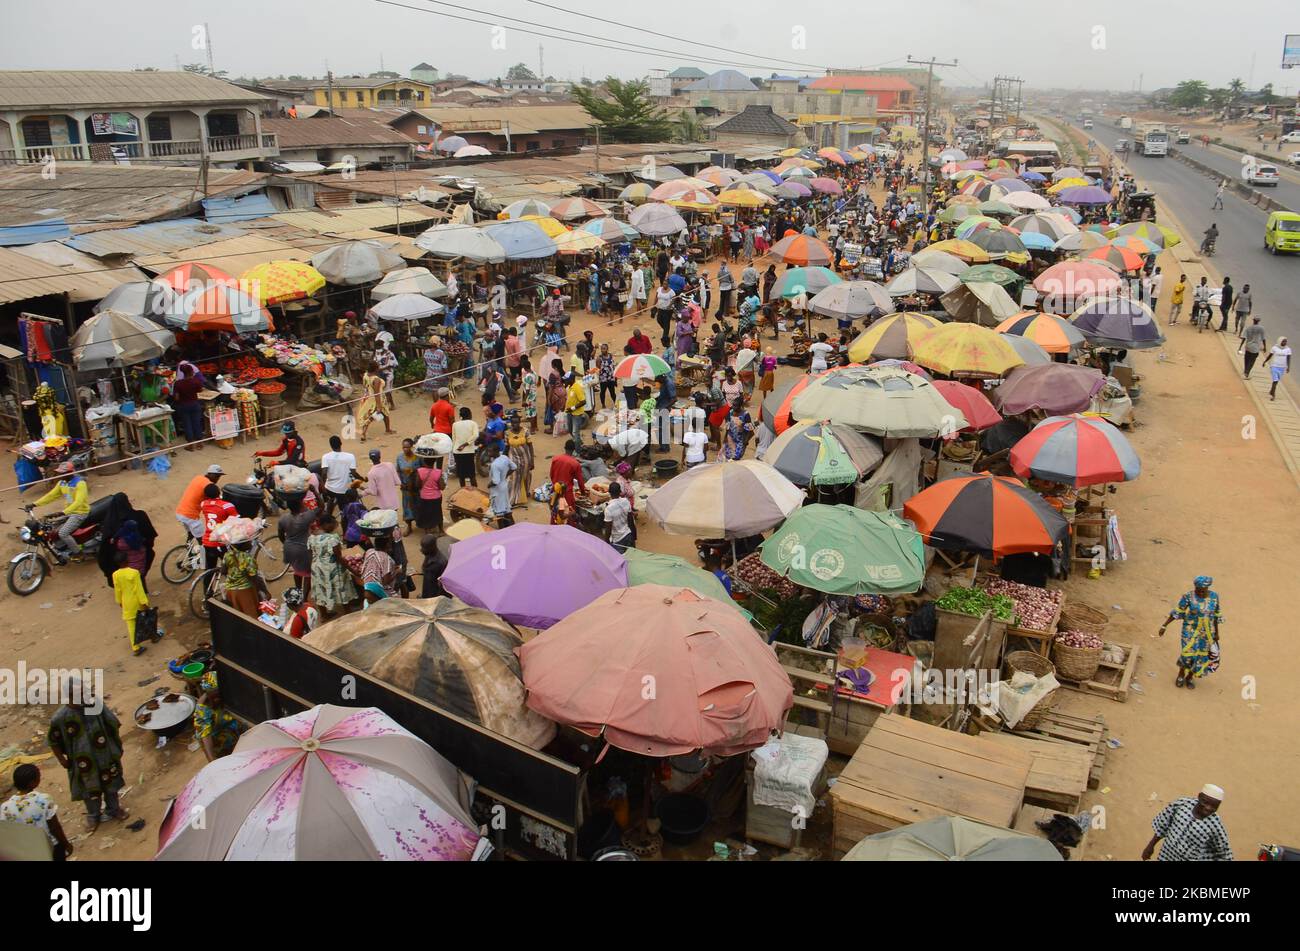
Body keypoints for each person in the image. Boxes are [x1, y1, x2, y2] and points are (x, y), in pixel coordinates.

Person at [47, 692, 129, 833]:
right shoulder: (60, 717)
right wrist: (62, 759)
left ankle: (114, 809)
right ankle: (93, 816)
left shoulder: (94, 704)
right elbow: (53, 741)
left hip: (104, 754)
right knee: (89, 789)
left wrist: (116, 746)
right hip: (82, 762)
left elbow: (112, 723)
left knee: (110, 782)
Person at [1158, 575, 1222, 690]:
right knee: (1187, 653)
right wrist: (1164, 625)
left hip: (1207, 632)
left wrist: (1216, 633)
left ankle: (1190, 677)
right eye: (1198, 589)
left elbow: (1216, 615)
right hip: (1190, 630)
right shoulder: (1188, 596)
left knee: (1200, 655)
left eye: (1202, 590)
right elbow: (1178, 611)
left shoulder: (1214, 597)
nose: (1200, 592)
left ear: (1207, 588)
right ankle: (1181, 674)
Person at [1142, 785, 1232, 861]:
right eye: (1206, 802)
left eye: (1214, 806)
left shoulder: (1215, 825)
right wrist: (1151, 845)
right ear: (1199, 796)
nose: (1208, 808)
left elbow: (1224, 853)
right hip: (1166, 856)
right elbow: (1163, 825)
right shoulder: (1181, 804)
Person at [3, 764, 73, 860]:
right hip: (50, 847)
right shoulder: (43, 799)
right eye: (38, 776)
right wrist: (66, 844)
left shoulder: (5, 807)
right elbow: (54, 827)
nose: (40, 777)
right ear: (32, 783)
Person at [33, 466, 90, 559]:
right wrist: (34, 504)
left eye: (62, 473)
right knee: (49, 527)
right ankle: (61, 547)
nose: (59, 475)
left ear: (71, 473)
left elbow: (78, 502)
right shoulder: (62, 483)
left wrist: (63, 512)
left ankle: (78, 552)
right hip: (68, 512)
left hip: (80, 513)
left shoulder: (80, 483)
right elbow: (51, 495)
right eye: (59, 473)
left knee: (63, 533)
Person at [308, 514, 356, 615]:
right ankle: (348, 611)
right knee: (340, 587)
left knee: (320, 588)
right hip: (332, 568)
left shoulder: (311, 536)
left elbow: (310, 554)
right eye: (333, 524)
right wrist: (352, 570)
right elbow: (338, 557)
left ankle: (324, 615)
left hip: (317, 567)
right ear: (325, 524)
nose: (335, 527)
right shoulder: (332, 538)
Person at [192, 671, 243, 760]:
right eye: (213, 694)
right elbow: (205, 736)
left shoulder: (228, 695)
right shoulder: (203, 707)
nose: (216, 697)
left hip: (231, 729)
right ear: (207, 693)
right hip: (215, 737)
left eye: (218, 693)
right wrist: (212, 760)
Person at [112, 550, 151, 656]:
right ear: (128, 560)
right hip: (137, 602)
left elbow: (118, 589)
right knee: (146, 619)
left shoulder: (115, 575)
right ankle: (153, 635)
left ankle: (136, 647)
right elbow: (139, 589)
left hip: (126, 602)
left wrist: (119, 601)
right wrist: (144, 602)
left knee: (131, 625)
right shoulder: (134, 572)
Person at [278, 496, 318, 597]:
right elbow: (321, 506)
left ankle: (298, 591)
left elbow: (280, 536)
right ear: (300, 506)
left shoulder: (283, 518)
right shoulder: (306, 517)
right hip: (304, 548)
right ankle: (304, 598)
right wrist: (315, 491)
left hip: (290, 548)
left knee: (297, 570)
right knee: (308, 573)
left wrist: (288, 543)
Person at [175, 463, 224, 541]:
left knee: (191, 534)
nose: (217, 478)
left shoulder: (198, 478)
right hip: (190, 516)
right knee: (204, 540)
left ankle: (189, 550)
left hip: (180, 513)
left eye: (219, 476)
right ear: (209, 474)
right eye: (216, 476)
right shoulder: (209, 486)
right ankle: (202, 551)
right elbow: (216, 496)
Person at [222, 538, 265, 620]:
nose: (250, 543)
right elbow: (253, 577)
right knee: (251, 618)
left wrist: (234, 577)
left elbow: (223, 571)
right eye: (247, 541)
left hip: (231, 592)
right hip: (245, 592)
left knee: (238, 618)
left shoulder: (227, 555)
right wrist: (263, 591)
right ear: (241, 545)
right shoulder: (248, 558)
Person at [199, 482, 236, 572]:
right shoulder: (227, 506)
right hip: (220, 542)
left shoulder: (203, 504)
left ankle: (207, 586)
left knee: (208, 570)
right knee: (234, 566)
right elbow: (236, 520)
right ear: (219, 492)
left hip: (206, 541)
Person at [320, 435, 359, 517]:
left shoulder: (325, 457)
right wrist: (361, 478)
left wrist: (322, 486)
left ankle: (328, 517)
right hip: (343, 490)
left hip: (329, 488)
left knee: (331, 500)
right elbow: (354, 473)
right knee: (344, 509)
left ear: (330, 445)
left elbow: (324, 473)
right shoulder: (350, 456)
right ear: (341, 443)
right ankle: (344, 519)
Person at [171, 363, 205, 448]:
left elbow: (176, 398)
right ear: (191, 372)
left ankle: (190, 445)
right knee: (197, 423)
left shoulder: (178, 383)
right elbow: (200, 390)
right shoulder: (196, 381)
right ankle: (199, 443)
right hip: (195, 404)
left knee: (187, 424)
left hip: (184, 405)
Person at [357, 362, 393, 441]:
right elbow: (377, 394)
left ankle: (387, 429)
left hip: (369, 397)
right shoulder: (376, 380)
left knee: (379, 414)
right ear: (376, 369)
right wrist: (379, 406)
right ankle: (387, 430)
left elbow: (365, 386)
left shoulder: (366, 375)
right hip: (378, 399)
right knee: (379, 414)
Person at [112, 518, 150, 593]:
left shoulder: (123, 537)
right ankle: (143, 592)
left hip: (129, 563)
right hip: (139, 561)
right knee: (140, 579)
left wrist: (113, 538)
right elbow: (140, 546)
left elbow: (119, 534)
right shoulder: (135, 536)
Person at [505, 412, 533, 508]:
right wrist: (504, 460)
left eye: (516, 423)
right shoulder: (507, 433)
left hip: (525, 457)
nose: (515, 425)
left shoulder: (525, 431)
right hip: (513, 457)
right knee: (514, 478)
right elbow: (506, 447)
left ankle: (525, 492)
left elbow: (530, 446)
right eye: (513, 423)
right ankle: (513, 498)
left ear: (520, 422)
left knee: (525, 476)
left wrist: (531, 461)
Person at [549, 439, 586, 509]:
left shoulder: (555, 459)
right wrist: (583, 492)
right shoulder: (575, 463)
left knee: (555, 512)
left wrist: (555, 484)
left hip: (555, 490)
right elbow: (580, 481)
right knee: (568, 512)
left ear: (565, 448)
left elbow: (551, 475)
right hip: (566, 493)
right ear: (573, 450)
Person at [487, 443, 517, 528]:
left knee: (499, 511)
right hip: (504, 486)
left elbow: (495, 481)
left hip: (497, 490)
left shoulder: (494, 465)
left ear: (496, 452)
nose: (489, 454)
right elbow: (514, 467)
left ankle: (502, 531)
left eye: (490, 452)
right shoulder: (504, 457)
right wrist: (506, 475)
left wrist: (489, 484)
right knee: (507, 508)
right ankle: (513, 527)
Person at [415, 453, 446, 533]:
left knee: (425, 514)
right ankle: (441, 530)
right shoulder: (438, 472)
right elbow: (442, 487)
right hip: (436, 497)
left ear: (424, 462)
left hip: (424, 497)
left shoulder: (420, 471)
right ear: (434, 462)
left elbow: (417, 485)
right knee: (438, 512)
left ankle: (427, 531)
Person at [394, 439, 421, 533]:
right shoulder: (399, 457)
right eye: (403, 447)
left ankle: (420, 522)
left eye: (407, 447)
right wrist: (400, 482)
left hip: (416, 487)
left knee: (418, 504)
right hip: (405, 487)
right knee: (407, 506)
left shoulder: (417, 457)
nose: (405, 449)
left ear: (412, 447)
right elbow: (397, 470)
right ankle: (409, 526)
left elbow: (422, 470)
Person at [451, 406, 480, 488]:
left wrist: (455, 449)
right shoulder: (473, 423)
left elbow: (454, 439)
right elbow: (476, 435)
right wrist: (465, 444)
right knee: (471, 475)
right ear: (469, 414)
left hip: (457, 452)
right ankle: (475, 492)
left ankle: (463, 492)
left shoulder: (455, 424)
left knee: (461, 475)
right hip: (468, 452)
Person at [603, 481, 634, 553]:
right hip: (628, 534)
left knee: (621, 561)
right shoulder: (626, 501)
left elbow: (608, 529)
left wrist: (606, 541)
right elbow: (630, 520)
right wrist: (633, 535)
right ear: (620, 491)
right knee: (632, 558)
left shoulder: (608, 509)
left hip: (618, 540)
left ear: (609, 492)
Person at [566, 372, 589, 448]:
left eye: (567, 379)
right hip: (569, 413)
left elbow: (583, 401)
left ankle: (578, 450)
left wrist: (572, 408)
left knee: (575, 432)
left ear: (571, 379)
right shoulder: (570, 387)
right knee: (570, 430)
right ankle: (579, 442)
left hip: (577, 414)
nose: (565, 381)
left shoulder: (577, 388)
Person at [1267, 336, 1291, 401]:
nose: (1285, 342)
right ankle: (1273, 395)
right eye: (1283, 341)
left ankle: (1271, 391)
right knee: (1275, 380)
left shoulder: (1288, 349)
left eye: (1285, 341)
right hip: (1274, 366)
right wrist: (1265, 361)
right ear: (1280, 341)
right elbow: (1270, 355)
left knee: (1277, 381)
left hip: (1282, 367)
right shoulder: (1274, 348)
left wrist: (1288, 367)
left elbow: (1288, 358)